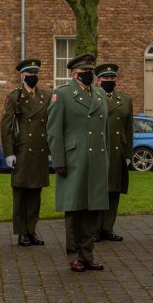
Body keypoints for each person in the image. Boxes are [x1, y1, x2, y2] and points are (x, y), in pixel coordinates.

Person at [49, 53, 111, 272]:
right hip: (73, 159)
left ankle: (88, 254)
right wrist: (58, 161)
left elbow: (105, 131)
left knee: (92, 208)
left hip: (95, 159)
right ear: (74, 74)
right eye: (86, 72)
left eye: (91, 71)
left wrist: (106, 161)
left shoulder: (101, 94)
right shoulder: (62, 94)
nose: (90, 75)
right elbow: (54, 131)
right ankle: (74, 255)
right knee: (74, 210)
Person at [4, 59, 53, 246]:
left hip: (39, 150)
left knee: (35, 194)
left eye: (35, 73)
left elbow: (50, 125)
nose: (33, 77)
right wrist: (9, 152)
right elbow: (6, 125)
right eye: (29, 74)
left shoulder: (46, 97)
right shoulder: (14, 96)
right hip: (22, 150)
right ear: (22, 76)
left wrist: (50, 150)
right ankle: (21, 231)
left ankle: (31, 230)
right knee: (21, 194)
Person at [97, 64, 132, 242]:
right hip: (98, 150)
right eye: (106, 79)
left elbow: (128, 129)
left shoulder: (125, 99)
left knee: (114, 191)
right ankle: (96, 229)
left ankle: (108, 228)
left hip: (118, 150)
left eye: (112, 79)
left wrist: (128, 155)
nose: (109, 81)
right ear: (99, 80)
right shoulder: (92, 97)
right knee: (98, 190)